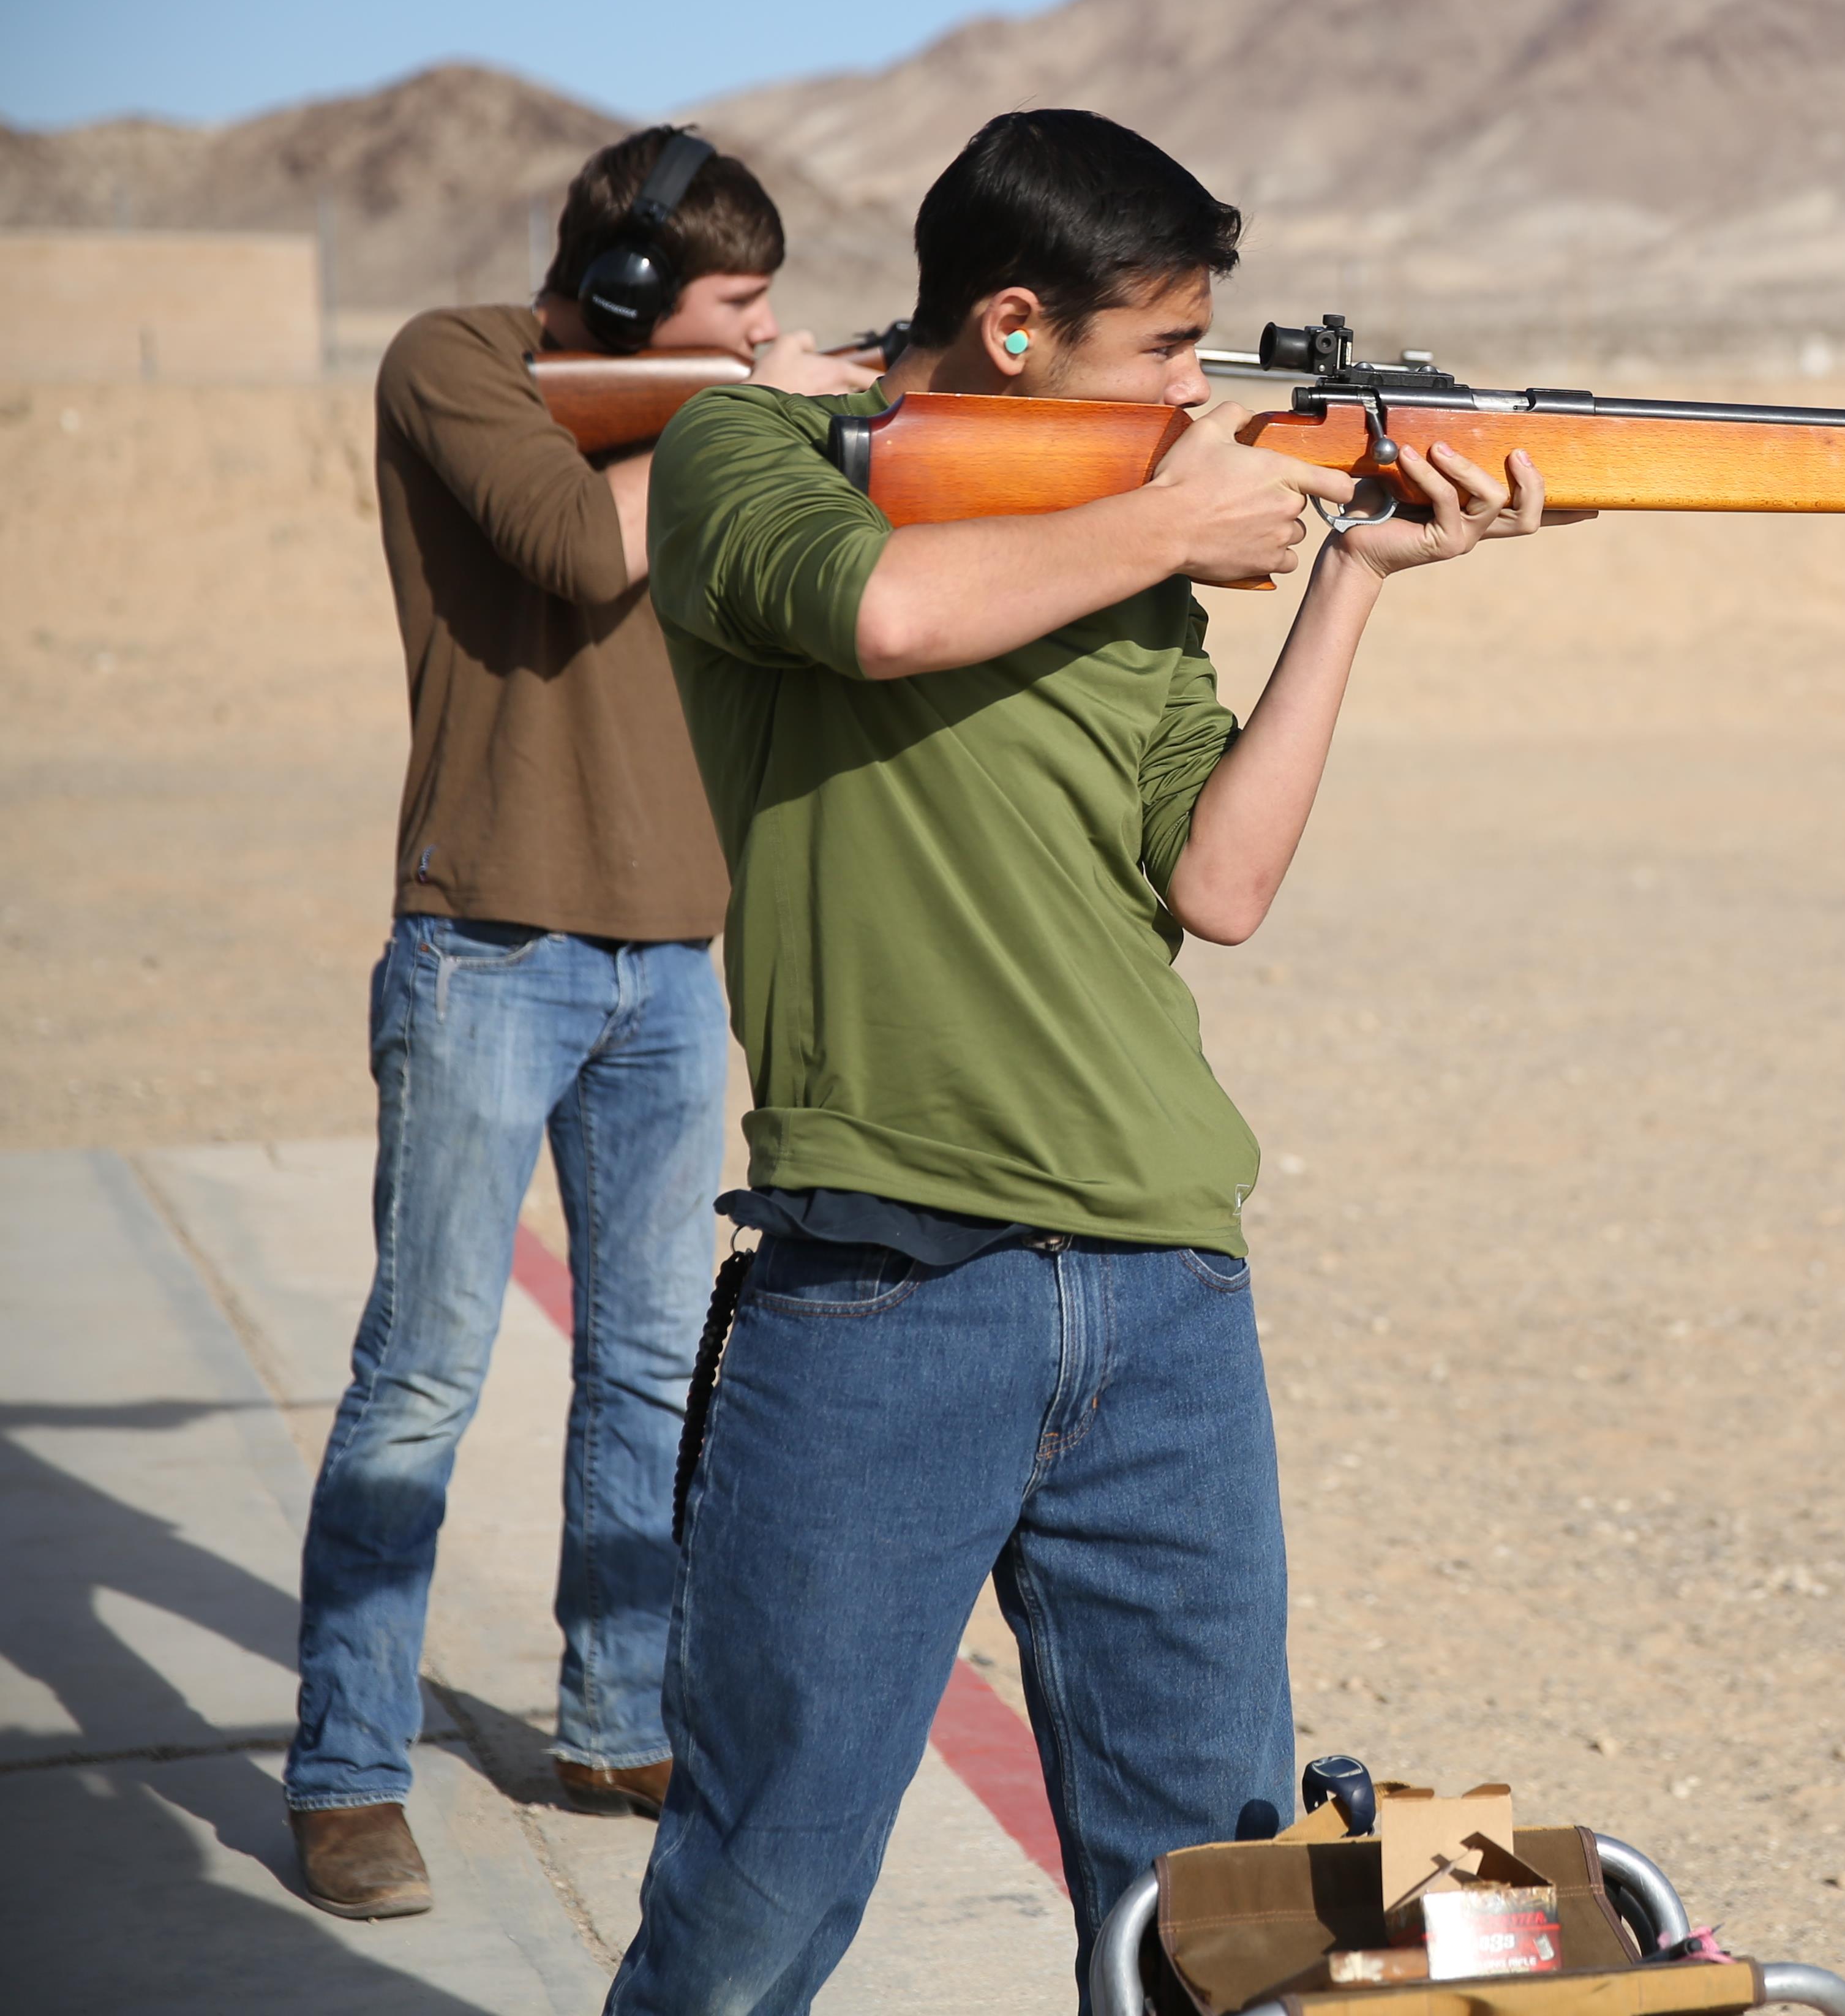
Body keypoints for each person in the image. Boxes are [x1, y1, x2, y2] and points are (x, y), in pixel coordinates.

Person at [604, 108, 1577, 2010]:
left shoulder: (1129, 569)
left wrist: (1348, 583)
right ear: (1017, 330)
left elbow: (1219, 885)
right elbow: (877, 613)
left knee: (1217, 1915)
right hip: (881, 1296)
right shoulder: (755, 452)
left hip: (1164, 1296)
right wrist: (1167, 519)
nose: (1197, 393)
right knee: (760, 1895)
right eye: (1164, 349)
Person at [285, 129, 876, 1920]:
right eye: (738, 308)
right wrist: (747, 410)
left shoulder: (700, 411)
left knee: (640, 1373)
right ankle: (345, 1771)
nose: (767, 336)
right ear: (629, 300)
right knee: (423, 1380)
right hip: (487, 948)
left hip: (668, 963)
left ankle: (620, 1717)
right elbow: (577, 545)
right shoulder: (454, 362)